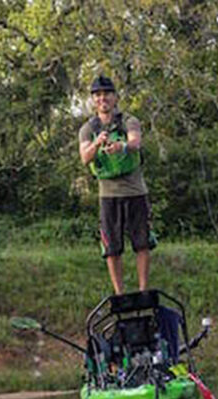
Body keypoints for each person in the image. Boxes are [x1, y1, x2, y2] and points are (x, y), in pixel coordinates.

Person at [78, 75, 152, 295]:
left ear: (115, 97)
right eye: (98, 95)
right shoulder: (87, 129)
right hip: (108, 195)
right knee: (111, 248)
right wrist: (98, 143)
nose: (103, 99)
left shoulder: (129, 120)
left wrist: (121, 146)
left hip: (135, 191)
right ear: (93, 100)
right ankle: (120, 294)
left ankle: (143, 290)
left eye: (107, 94)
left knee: (142, 243)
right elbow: (85, 157)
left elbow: (135, 142)